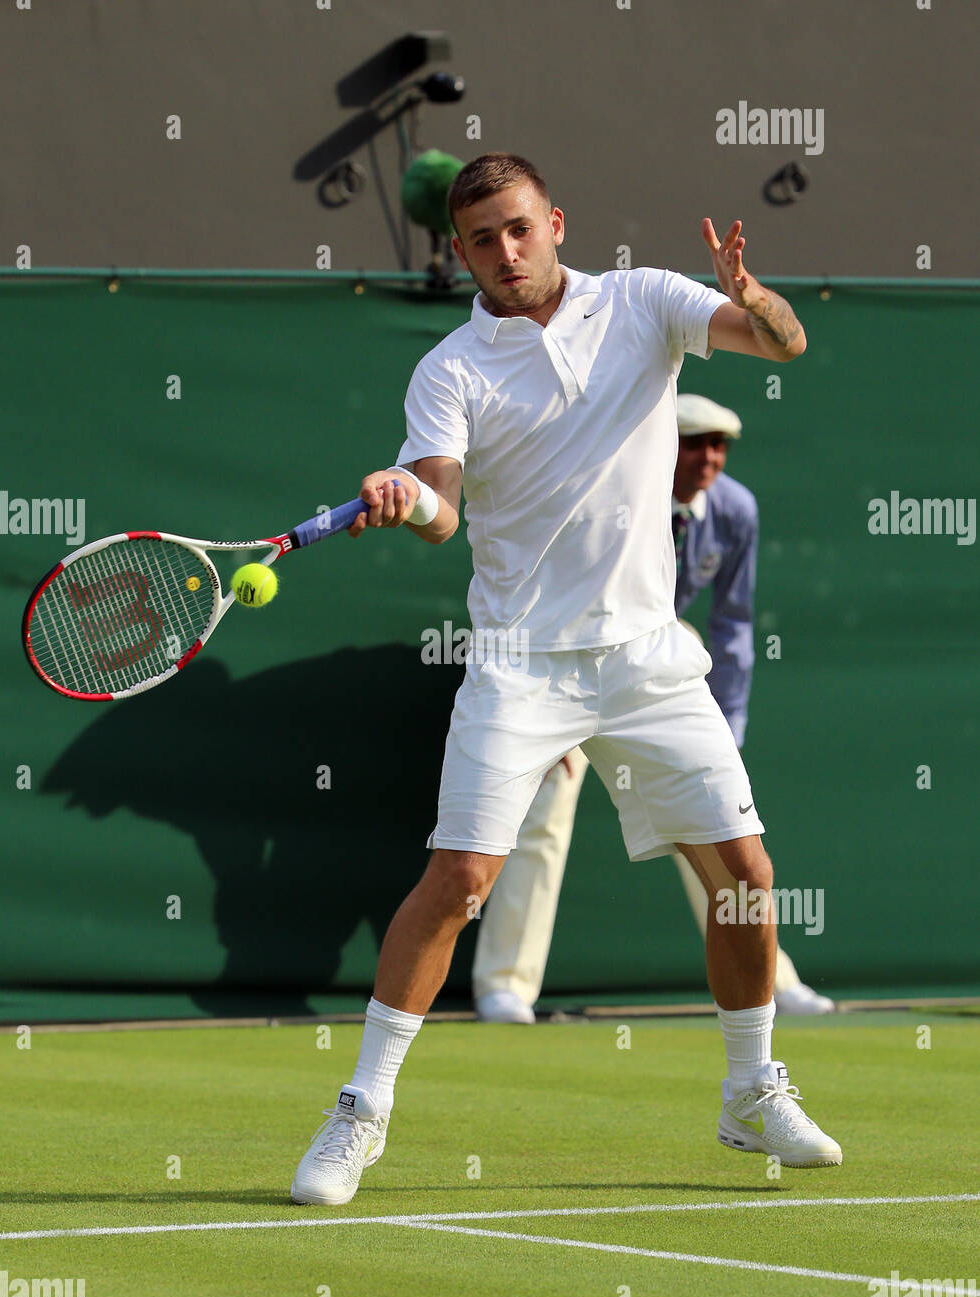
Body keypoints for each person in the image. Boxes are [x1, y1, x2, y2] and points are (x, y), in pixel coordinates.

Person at [291, 152, 842, 1207]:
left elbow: (787, 341)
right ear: (460, 254)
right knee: (457, 883)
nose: (505, 252)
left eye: (519, 228)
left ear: (555, 219)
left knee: (747, 878)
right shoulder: (450, 368)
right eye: (482, 239)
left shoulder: (643, 302)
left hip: (648, 657)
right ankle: (361, 1112)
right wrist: (408, 497)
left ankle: (750, 1088)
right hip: (520, 664)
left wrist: (751, 296)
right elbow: (447, 508)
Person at [473, 394, 835, 1024]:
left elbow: (733, 626)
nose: (709, 459)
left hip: (655, 657)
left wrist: (727, 725)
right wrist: (541, 713)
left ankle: (770, 978)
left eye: (720, 446)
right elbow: (530, 588)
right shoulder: (598, 491)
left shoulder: (734, 510)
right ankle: (505, 986)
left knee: (713, 818)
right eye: (695, 443)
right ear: (663, 444)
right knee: (542, 813)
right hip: (561, 653)